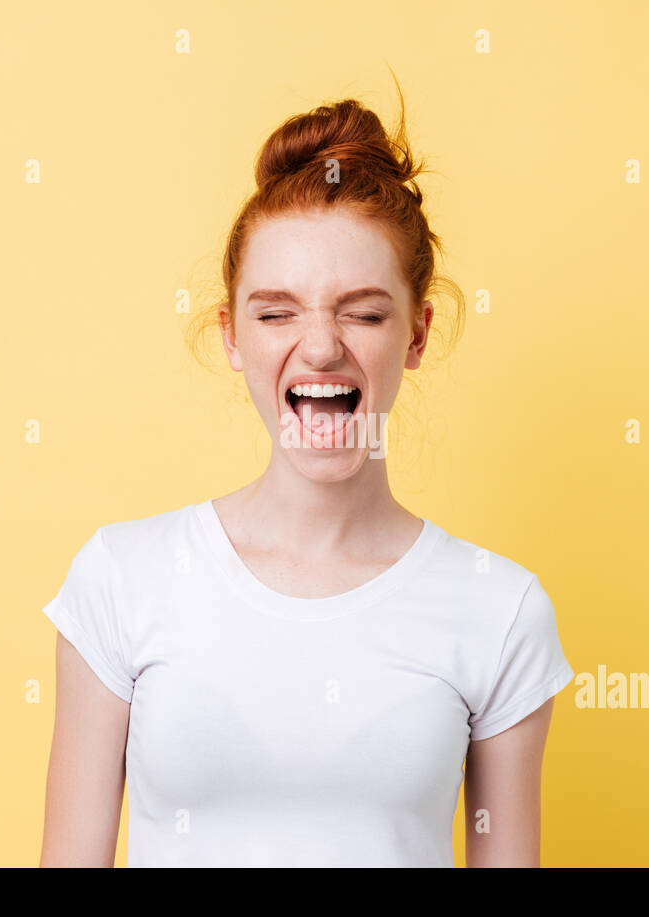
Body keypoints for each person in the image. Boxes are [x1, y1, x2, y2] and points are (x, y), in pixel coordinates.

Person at [40, 85, 574, 867]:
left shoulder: (499, 608)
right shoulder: (122, 580)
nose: (320, 347)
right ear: (230, 335)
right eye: (276, 312)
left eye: (362, 311)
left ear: (418, 332)